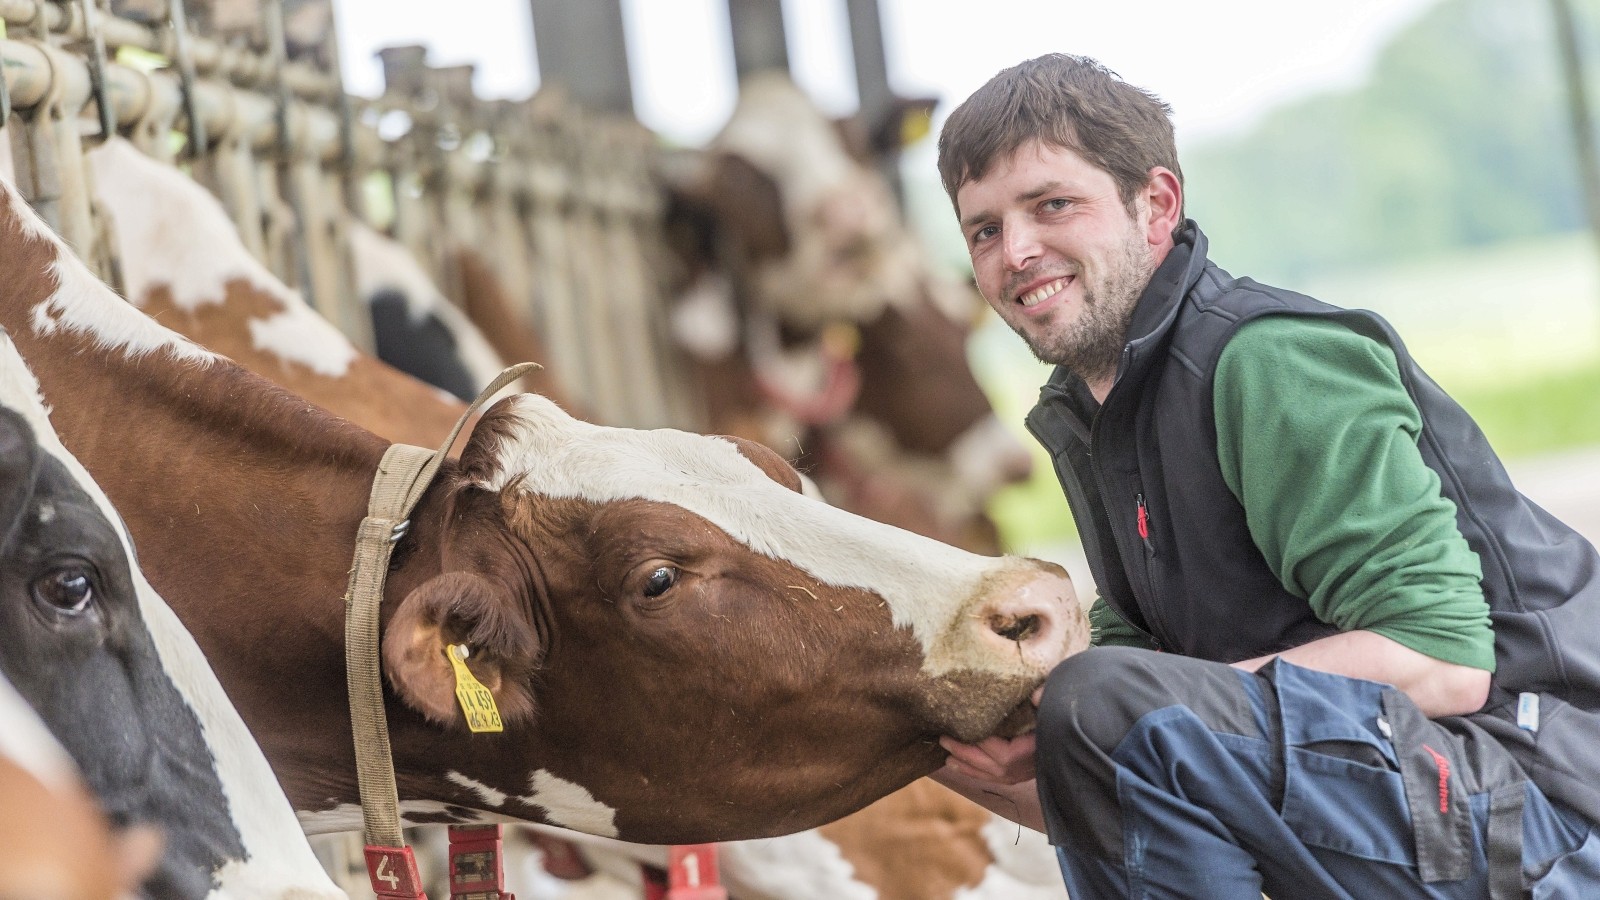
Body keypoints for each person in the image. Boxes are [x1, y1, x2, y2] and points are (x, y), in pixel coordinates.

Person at [927, 52, 1600, 898]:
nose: (1016, 251)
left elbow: (1441, 658)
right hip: (1408, 794)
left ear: (1156, 205)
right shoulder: (1090, 415)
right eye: (983, 230)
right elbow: (1133, 770)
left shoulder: (1262, 360)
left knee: (1098, 702)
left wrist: (1094, 715)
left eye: (1052, 205)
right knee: (966, 723)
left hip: (1543, 808)